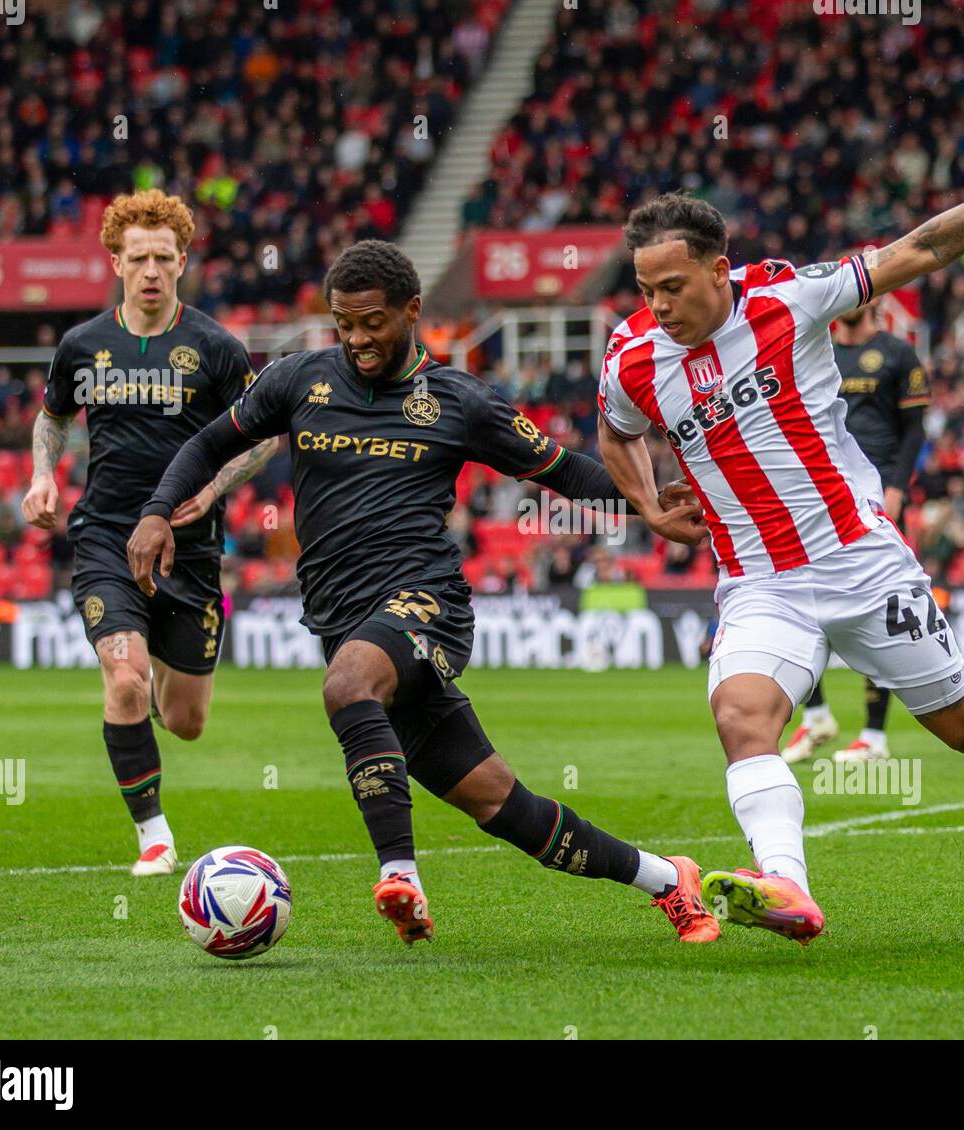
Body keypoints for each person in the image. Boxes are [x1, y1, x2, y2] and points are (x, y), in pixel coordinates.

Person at [128, 240, 720, 947]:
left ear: (412, 311)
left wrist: (649, 506)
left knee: (348, 685)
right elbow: (208, 445)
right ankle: (667, 879)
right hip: (344, 618)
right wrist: (158, 509)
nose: (356, 340)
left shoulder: (460, 401)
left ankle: (400, 874)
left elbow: (567, 474)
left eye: (372, 323)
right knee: (504, 806)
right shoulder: (297, 381)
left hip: (427, 603)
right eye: (343, 323)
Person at [597, 144, 964, 945]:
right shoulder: (634, 360)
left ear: (720, 270)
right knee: (741, 717)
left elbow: (919, 250)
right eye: (646, 290)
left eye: (674, 287)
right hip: (759, 579)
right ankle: (786, 883)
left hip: (861, 558)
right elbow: (615, 435)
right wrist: (648, 507)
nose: (658, 306)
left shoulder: (791, 298)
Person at [20, 189, 277, 877]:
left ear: (183, 260)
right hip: (105, 535)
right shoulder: (83, 345)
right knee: (126, 680)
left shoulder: (216, 347)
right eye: (139, 259)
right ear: (116, 262)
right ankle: (155, 838)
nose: (153, 272)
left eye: (165, 258)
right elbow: (52, 417)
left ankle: (151, 711)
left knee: (186, 719)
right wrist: (44, 475)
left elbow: (264, 435)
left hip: (189, 550)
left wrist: (213, 486)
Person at [781, 298, 929, 765]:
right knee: (796, 597)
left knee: (881, 605)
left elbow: (915, 431)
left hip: (876, 493)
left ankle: (875, 737)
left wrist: (899, 487)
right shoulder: (812, 350)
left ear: (877, 299)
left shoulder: (897, 354)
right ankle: (816, 715)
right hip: (818, 495)